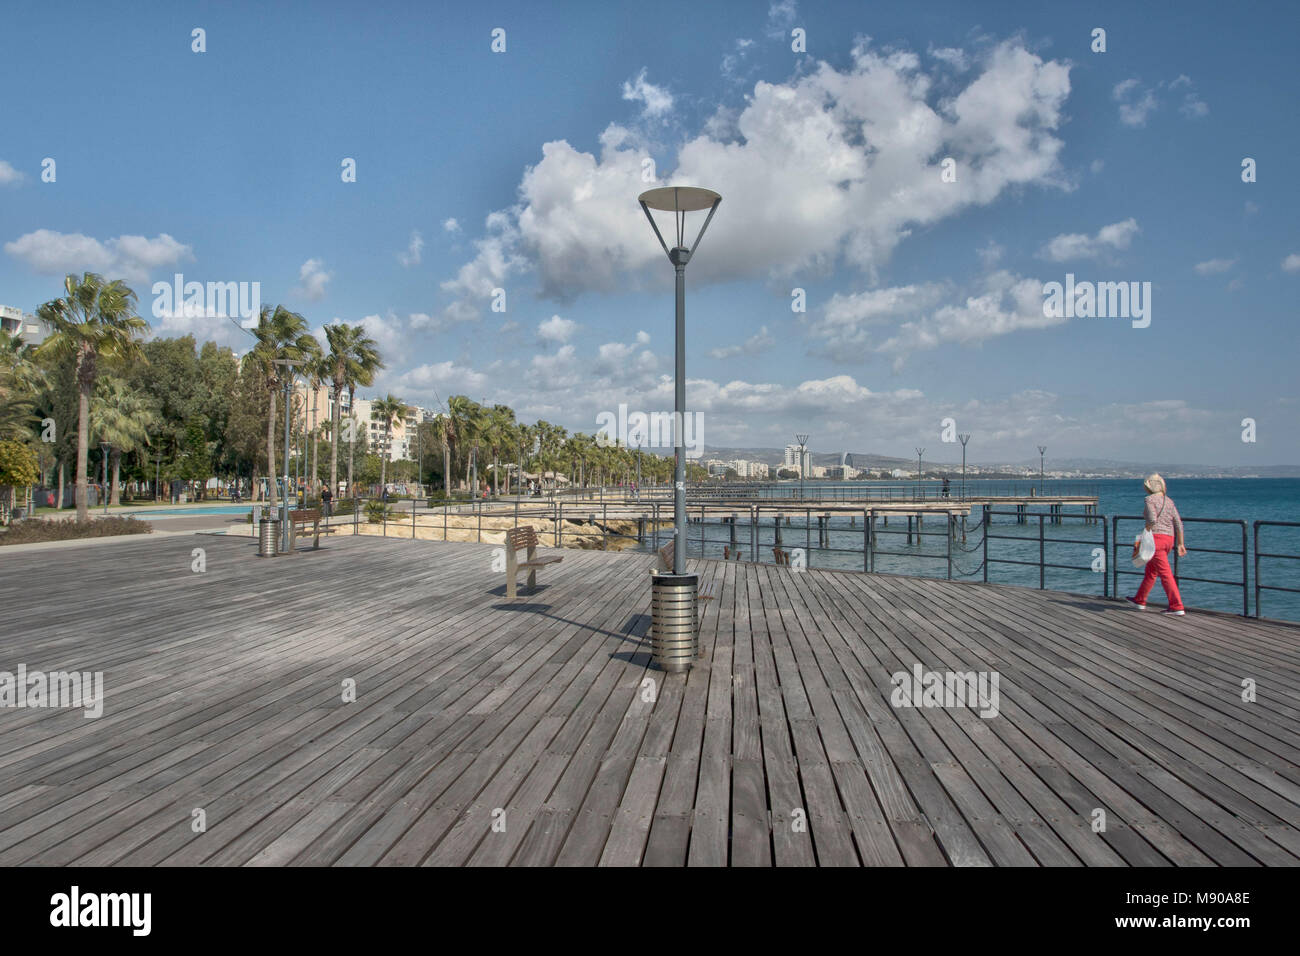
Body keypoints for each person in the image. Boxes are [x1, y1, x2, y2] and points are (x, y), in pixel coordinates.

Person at [1127, 473, 1187, 616]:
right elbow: (1178, 523)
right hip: (1169, 540)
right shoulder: (1169, 501)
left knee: (1165, 574)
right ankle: (1140, 600)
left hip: (1156, 539)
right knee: (1151, 572)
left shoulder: (1149, 500)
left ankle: (1177, 606)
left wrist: (1147, 529)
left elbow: (1152, 519)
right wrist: (1180, 543)